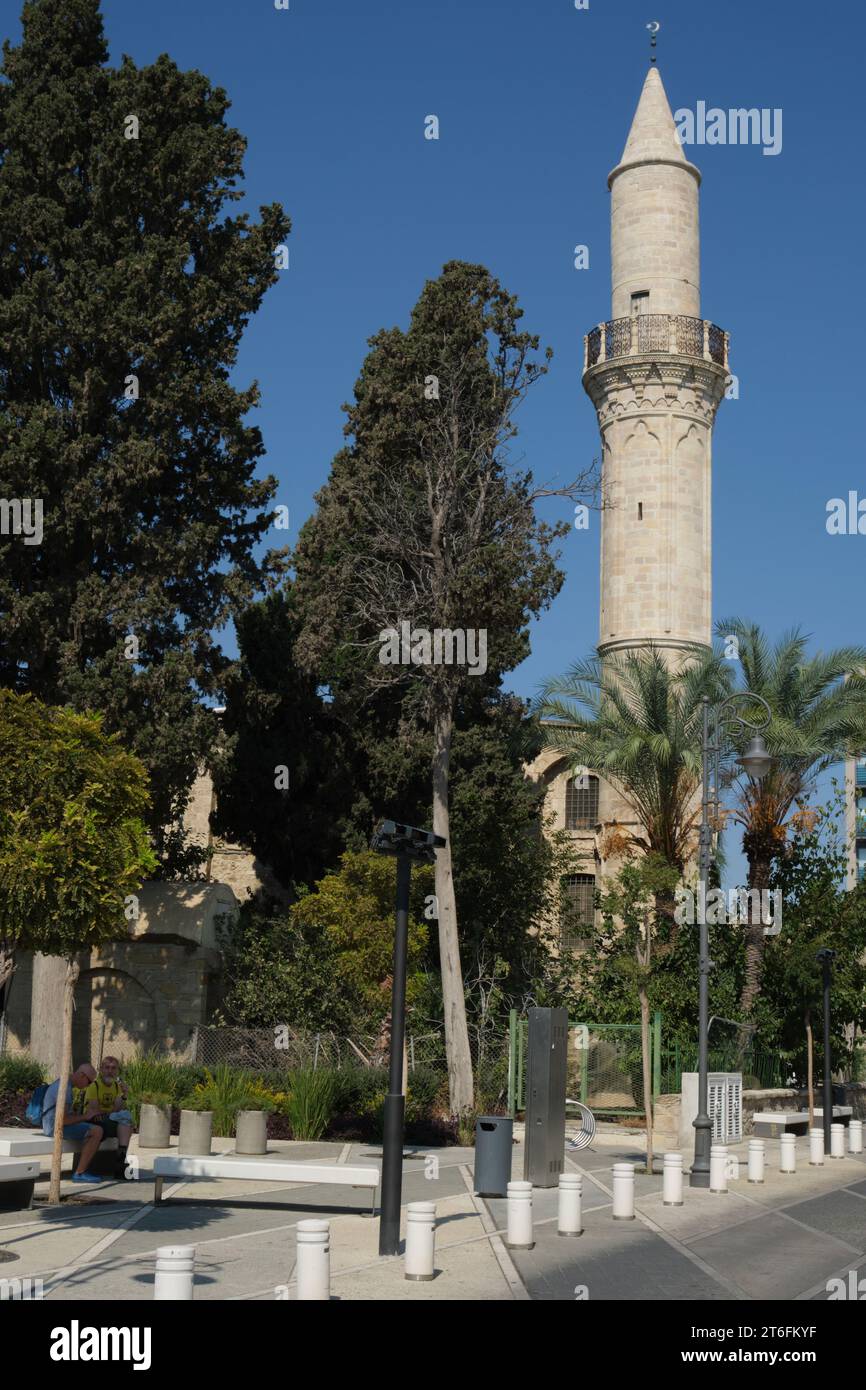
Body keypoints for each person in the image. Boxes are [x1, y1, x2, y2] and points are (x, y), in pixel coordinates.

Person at [40, 1063, 105, 1184]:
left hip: (51, 1124)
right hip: (53, 1128)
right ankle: (80, 1173)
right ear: (82, 1076)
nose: (88, 1086)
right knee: (97, 1131)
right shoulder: (65, 1089)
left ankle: (82, 1168)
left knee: (92, 1127)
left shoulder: (64, 1082)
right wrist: (85, 1116)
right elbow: (62, 1121)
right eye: (89, 1082)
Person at [82, 1056, 134, 1179]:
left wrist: (124, 1096)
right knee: (123, 1123)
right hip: (94, 1120)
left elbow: (118, 1109)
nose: (110, 1071)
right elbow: (95, 1111)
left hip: (108, 1119)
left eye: (113, 1068)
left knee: (126, 1124)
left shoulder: (116, 1087)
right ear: (101, 1069)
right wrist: (112, 1112)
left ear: (117, 1071)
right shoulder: (94, 1086)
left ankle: (120, 1164)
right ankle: (120, 1165)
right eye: (107, 1068)